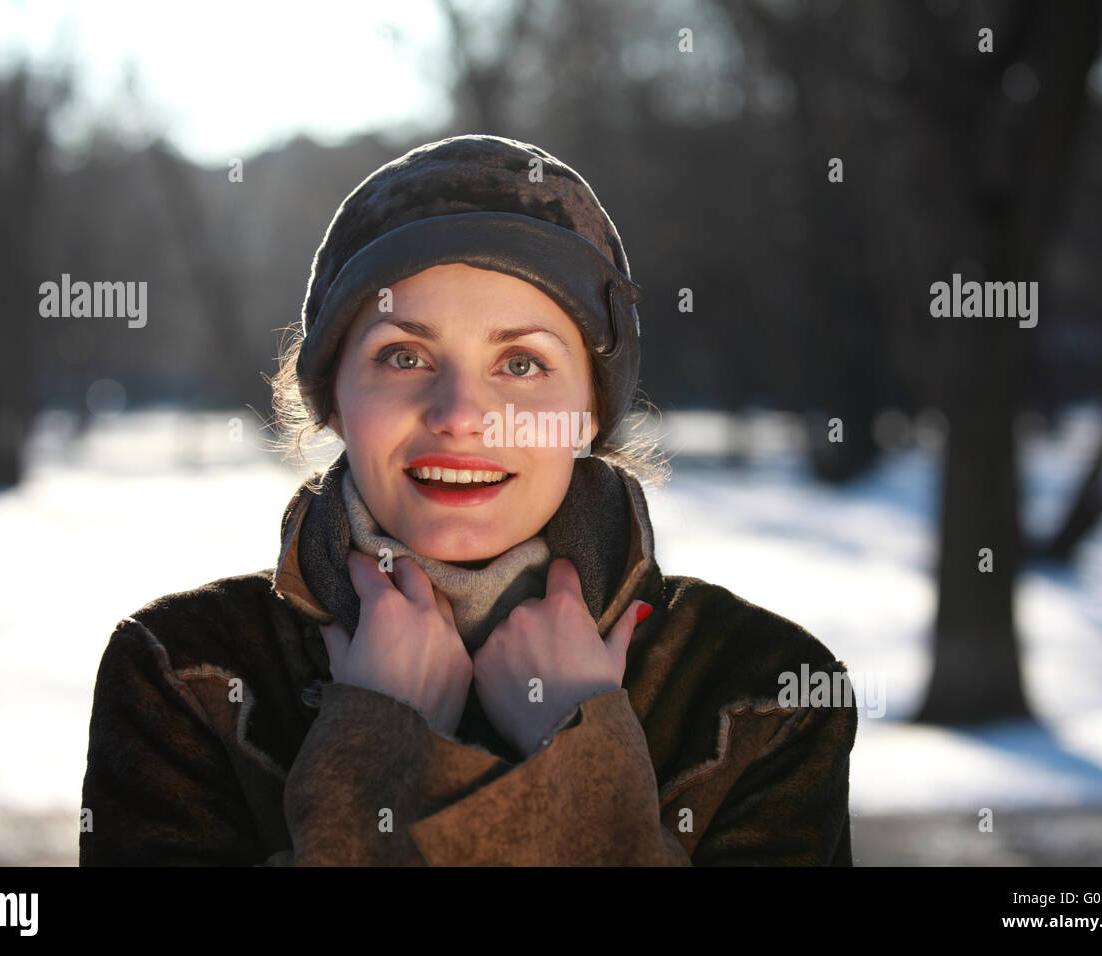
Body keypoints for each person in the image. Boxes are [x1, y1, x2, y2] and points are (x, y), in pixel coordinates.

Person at [79, 133, 857, 866]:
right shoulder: (187, 676)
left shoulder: (762, 696)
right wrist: (373, 745)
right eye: (404, 354)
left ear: (588, 411)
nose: (458, 414)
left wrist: (582, 750)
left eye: (521, 364)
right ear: (332, 401)